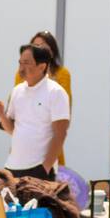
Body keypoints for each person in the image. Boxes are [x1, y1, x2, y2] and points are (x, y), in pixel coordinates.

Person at [0, 43, 70, 181]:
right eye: (20, 62)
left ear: (42, 66)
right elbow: (12, 130)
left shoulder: (56, 92)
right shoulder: (17, 91)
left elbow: (61, 134)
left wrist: (45, 168)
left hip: (39, 168)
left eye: (26, 63)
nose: (21, 68)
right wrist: (1, 115)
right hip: (12, 167)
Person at [11, 30, 73, 166]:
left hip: (48, 141)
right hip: (23, 147)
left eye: (43, 47)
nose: (38, 50)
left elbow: (64, 114)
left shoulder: (62, 74)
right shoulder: (20, 73)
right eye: (34, 46)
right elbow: (16, 108)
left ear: (52, 51)